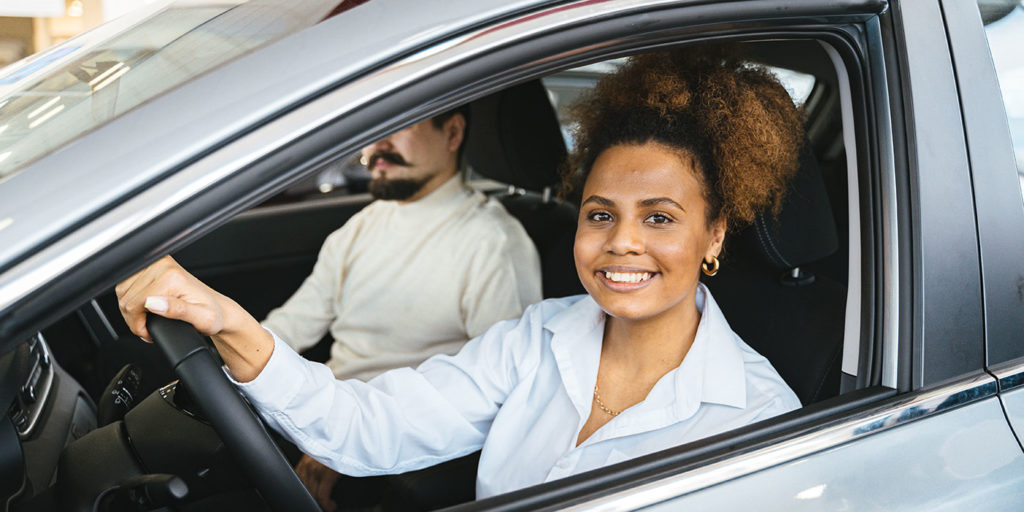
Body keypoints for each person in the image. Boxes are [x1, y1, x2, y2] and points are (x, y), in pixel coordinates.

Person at [115, 45, 803, 504]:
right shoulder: (537, 340)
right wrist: (228, 322)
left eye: (658, 218)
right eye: (599, 215)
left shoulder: (758, 417)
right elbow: (368, 426)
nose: (621, 243)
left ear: (714, 233)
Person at [262, 107, 543, 506]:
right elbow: (293, 324)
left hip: (394, 447)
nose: (378, 145)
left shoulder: (492, 243)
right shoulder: (364, 224)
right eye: (372, 127)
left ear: (452, 134)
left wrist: (348, 444)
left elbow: (503, 392)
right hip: (320, 415)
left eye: (398, 123)